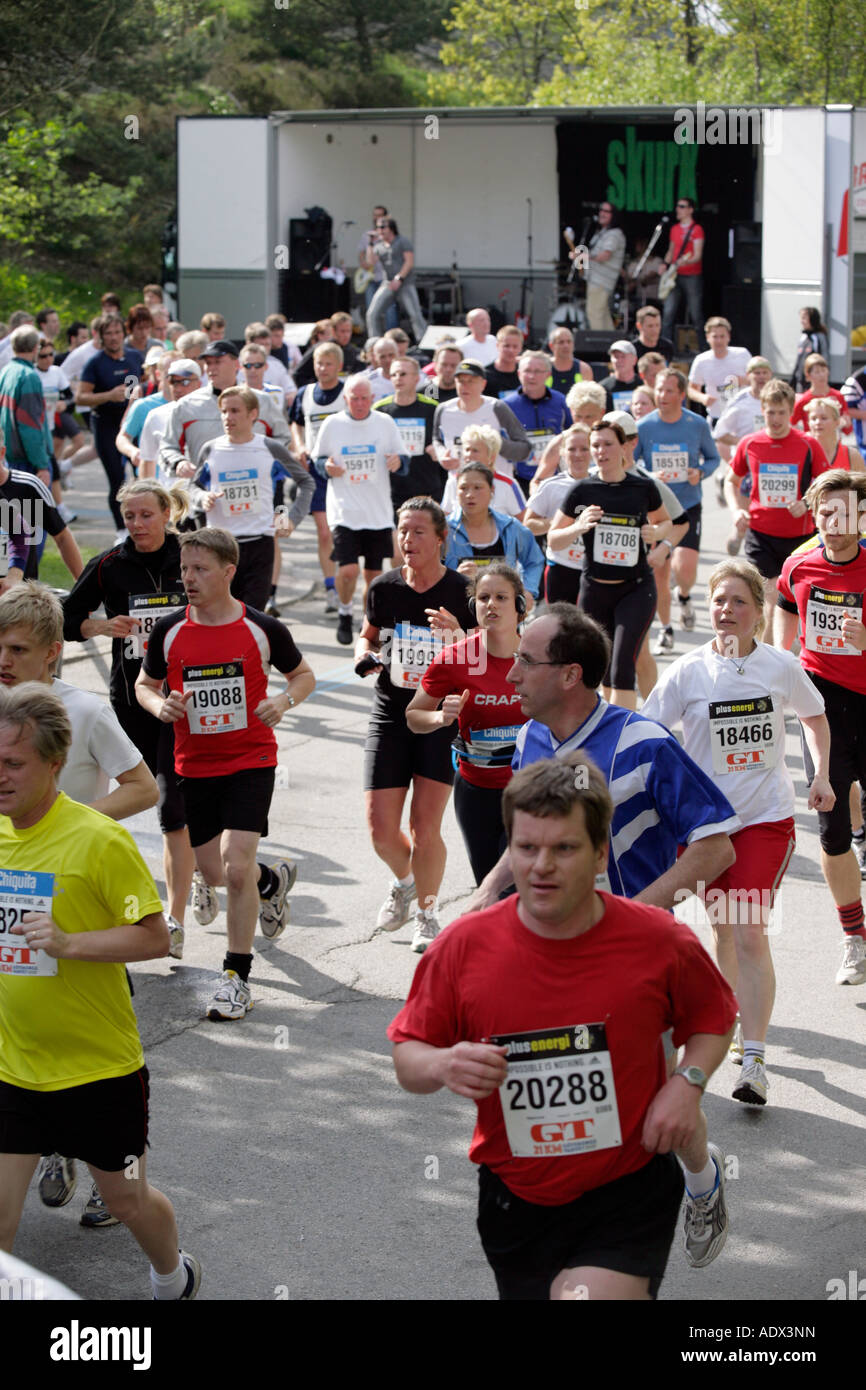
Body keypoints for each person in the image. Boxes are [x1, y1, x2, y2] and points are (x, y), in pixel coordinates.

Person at [389, 754, 738, 1299]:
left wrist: (686, 1084)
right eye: (526, 848)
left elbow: (714, 1018)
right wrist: (442, 1062)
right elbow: (408, 1057)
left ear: (600, 853)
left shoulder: (657, 941)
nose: (541, 866)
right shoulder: (464, 947)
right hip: (514, 1197)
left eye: (564, 849)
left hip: (627, 1187)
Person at [0, 683, 201, 1300]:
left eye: (13, 763)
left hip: (99, 1072)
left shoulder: (97, 839)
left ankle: (173, 1277)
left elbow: (155, 938)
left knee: (128, 1197)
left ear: (55, 764)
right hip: (14, 1068)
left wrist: (69, 944)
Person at [0, 580, 161, 1228]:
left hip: (84, 898)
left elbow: (144, 786)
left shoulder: (84, 712)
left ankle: (109, 1173)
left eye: (17, 648)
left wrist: (73, 826)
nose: (4, 660)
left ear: (51, 654)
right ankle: (45, 1145)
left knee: (92, 1033)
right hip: (14, 895)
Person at [643, 559, 833, 1107]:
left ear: (759, 612)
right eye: (718, 601)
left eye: (737, 602)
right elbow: (652, 735)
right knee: (726, 930)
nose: (725, 611)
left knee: (747, 930)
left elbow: (814, 717)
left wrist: (820, 775)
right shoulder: (687, 672)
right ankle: (733, 1014)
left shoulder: (780, 667)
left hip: (763, 820)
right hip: (705, 828)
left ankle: (753, 1057)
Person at [136, 528, 315, 1020]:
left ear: (228, 572)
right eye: (184, 570)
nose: (188, 579)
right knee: (214, 873)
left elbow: (303, 675)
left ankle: (236, 977)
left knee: (235, 865)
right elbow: (144, 684)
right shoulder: (170, 631)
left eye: (199, 570)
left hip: (251, 759)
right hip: (194, 764)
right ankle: (272, 884)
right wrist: (160, 706)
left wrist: (283, 699)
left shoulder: (262, 628)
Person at [471, 604, 738, 907]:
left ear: (571, 675)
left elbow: (716, 848)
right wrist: (489, 888)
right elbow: (529, 836)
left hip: (631, 946)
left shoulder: (645, 745)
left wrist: (634, 916)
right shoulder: (528, 738)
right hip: (552, 934)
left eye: (527, 661)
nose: (511, 675)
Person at [62, 477, 197, 954]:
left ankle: (175, 918)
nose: (138, 524)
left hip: (188, 699)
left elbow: (227, 605)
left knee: (171, 805)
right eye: (130, 517)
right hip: (133, 698)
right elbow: (63, 619)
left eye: (146, 515)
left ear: (166, 514)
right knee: (160, 799)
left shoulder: (190, 554)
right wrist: (102, 625)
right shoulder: (109, 566)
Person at [354, 497, 473, 952]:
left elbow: (487, 656)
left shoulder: (462, 592)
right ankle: (405, 882)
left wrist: (459, 638)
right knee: (380, 829)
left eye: (419, 531)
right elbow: (368, 634)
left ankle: (427, 912)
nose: (408, 539)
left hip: (439, 718)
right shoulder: (384, 587)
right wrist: (363, 655)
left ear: (441, 539)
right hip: (390, 714)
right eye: (403, 530)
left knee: (425, 827)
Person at [775, 469, 866, 988]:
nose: (833, 522)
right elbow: (785, 610)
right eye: (824, 511)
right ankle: (854, 937)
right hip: (822, 707)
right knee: (830, 828)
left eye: (844, 511)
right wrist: (776, 664)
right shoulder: (799, 565)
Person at [407, 562, 528, 884]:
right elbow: (413, 717)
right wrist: (439, 717)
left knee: (517, 888)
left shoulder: (540, 656)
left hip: (532, 791)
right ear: (474, 607)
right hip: (477, 792)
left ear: (519, 607)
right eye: (484, 597)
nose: (491, 604)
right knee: (489, 888)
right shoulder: (454, 659)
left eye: (502, 597)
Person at [549, 421, 671, 707]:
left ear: (624, 448)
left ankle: (622, 741)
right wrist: (578, 526)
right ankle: (608, 731)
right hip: (594, 590)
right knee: (599, 669)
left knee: (622, 669)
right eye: (596, 445)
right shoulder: (582, 490)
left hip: (636, 589)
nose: (601, 451)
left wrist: (656, 533)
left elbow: (666, 521)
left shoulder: (643, 487)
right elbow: (554, 539)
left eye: (607, 444)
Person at [190, 386, 314, 611]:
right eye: (224, 411)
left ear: (253, 414)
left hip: (259, 544)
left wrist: (291, 519)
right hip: (220, 546)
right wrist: (203, 497)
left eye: (235, 411)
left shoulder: (269, 448)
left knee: (252, 615)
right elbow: (193, 488)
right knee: (219, 614)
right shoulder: (210, 449)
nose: (228, 417)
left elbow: (306, 482)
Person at [726, 379, 830, 640]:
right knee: (769, 600)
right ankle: (767, 659)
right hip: (760, 535)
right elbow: (731, 480)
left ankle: (780, 654)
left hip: (800, 538)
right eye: (770, 412)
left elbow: (826, 484)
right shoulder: (750, 443)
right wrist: (737, 511)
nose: (775, 418)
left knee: (793, 605)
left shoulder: (807, 444)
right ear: (762, 410)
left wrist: (807, 502)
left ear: (791, 412)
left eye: (781, 412)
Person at [634, 367, 721, 653]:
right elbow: (632, 464)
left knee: (684, 571)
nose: (663, 395)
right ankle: (666, 628)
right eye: (659, 389)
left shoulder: (696, 424)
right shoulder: (644, 426)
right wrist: (649, 475)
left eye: (670, 390)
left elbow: (713, 458)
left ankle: (683, 596)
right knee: (660, 572)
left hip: (688, 505)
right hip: (658, 512)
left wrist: (700, 472)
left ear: (682, 395)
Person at [314, 374, 405, 644]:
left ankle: (368, 620)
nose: (360, 403)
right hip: (344, 510)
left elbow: (402, 459)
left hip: (377, 513)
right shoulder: (333, 424)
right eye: (355, 398)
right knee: (348, 571)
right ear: (346, 399)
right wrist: (326, 468)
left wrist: (397, 462)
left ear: (373, 399)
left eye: (365, 398)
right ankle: (344, 613)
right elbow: (318, 461)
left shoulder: (384, 423)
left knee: (373, 577)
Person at [158, 339, 289, 480]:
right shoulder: (187, 405)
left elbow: (283, 437)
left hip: (256, 487)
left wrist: (268, 461)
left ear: (236, 364)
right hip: (206, 491)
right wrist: (179, 463)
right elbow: (167, 446)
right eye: (208, 363)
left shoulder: (261, 401)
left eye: (217, 362)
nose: (211, 368)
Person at [289, 341, 345, 615]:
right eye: (318, 364)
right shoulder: (306, 393)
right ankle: (331, 588)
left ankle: (347, 581)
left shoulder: (348, 393)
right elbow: (296, 423)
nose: (323, 369)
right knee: (325, 533)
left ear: (339, 366)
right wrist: (299, 445)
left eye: (328, 364)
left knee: (343, 533)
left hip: (344, 470)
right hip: (316, 471)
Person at [76, 315, 143, 538]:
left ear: (123, 334)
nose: (114, 338)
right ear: (101, 337)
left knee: (142, 475)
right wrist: (108, 396)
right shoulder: (95, 363)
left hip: (132, 422)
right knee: (116, 479)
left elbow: (142, 384)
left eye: (117, 333)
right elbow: (80, 397)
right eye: (109, 334)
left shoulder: (134, 356)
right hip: (105, 423)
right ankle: (122, 531)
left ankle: (145, 525)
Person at [444, 462, 543, 602]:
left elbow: (534, 561)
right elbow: (428, 571)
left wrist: (528, 591)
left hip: (504, 614)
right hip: (457, 610)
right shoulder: (443, 530)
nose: (470, 495)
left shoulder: (511, 527)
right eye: (463, 488)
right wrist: (454, 577)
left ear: (492, 490)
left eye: (477, 487)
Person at [524, 424, 593, 604]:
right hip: (561, 568)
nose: (578, 454)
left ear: (592, 451)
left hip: (595, 570)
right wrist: (558, 522)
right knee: (560, 627)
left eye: (584, 449)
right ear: (562, 452)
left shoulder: (603, 484)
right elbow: (528, 525)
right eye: (572, 449)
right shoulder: (550, 485)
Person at [0, 442, 83, 584]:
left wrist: (83, 588)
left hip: (21, 592)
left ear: (2, 453)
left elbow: (62, 536)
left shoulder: (28, 486)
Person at [433, 360, 532, 477]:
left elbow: (525, 449)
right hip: (459, 485)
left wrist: (494, 444)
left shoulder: (497, 408)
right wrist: (442, 455)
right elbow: (437, 439)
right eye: (461, 381)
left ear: (483, 384)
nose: (465, 386)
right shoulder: (444, 410)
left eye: (471, 381)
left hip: (496, 484)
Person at [374, 357, 442, 509]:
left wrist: (438, 448)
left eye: (403, 374)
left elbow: (443, 441)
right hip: (392, 489)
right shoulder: (379, 410)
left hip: (426, 486)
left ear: (416, 378)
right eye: (394, 375)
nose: (398, 378)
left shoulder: (432, 408)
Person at [503, 352, 571, 495]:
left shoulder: (560, 401)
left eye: (538, 371)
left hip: (556, 477)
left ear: (548, 374)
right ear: (519, 374)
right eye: (527, 371)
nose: (532, 376)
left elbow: (572, 433)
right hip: (520, 479)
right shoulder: (507, 405)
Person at [0, 326, 52, 483]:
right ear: (36, 347)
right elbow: (29, 425)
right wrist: (41, 465)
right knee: (35, 507)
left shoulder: (6, 371)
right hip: (27, 462)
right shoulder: (29, 377)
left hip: (10, 456)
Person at [138, 357, 203, 482]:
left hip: (205, 495)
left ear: (199, 384)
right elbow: (147, 460)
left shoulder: (213, 413)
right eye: (173, 382)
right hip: (171, 496)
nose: (178, 388)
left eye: (184, 382)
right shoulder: (156, 416)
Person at [440, 428, 526, 520]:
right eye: (467, 450)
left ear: (491, 456)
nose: (469, 455)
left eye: (475, 450)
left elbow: (524, 521)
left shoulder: (508, 484)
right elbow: (444, 518)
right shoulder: (453, 482)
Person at [364, 216, 426, 343]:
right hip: (387, 283)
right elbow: (370, 262)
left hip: (405, 283)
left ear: (391, 228)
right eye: (377, 227)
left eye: (382, 227)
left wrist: (399, 279)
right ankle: (374, 343)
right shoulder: (379, 245)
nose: (379, 230)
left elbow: (409, 262)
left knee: (415, 315)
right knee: (372, 314)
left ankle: (423, 343)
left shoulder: (402, 241)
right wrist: (370, 243)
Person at [687, 318, 751, 440]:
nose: (719, 341)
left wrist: (743, 380)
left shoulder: (742, 354)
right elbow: (691, 389)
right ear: (707, 337)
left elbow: (758, 379)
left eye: (722, 336)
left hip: (741, 417)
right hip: (717, 416)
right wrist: (703, 397)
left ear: (729, 337)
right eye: (715, 337)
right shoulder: (702, 360)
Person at [661, 198, 705, 342]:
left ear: (690, 210)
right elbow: (671, 251)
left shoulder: (697, 230)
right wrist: (664, 264)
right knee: (668, 312)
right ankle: (666, 346)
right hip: (675, 274)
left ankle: (702, 347)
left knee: (695, 313)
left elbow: (697, 255)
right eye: (677, 206)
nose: (678, 209)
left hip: (692, 275)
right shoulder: (675, 229)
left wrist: (686, 261)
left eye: (682, 206)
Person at [580, 202, 626, 331]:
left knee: (594, 313)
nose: (602, 213)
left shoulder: (614, 234)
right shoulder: (603, 233)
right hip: (597, 279)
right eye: (601, 210)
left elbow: (605, 255)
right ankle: (610, 344)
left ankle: (599, 346)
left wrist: (583, 257)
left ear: (614, 215)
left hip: (601, 281)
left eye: (607, 211)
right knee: (603, 314)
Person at [791, 355, 852, 434]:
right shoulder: (804, 400)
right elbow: (791, 424)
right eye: (817, 372)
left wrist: (846, 423)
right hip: (813, 443)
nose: (821, 375)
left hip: (833, 443)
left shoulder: (838, 396)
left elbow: (848, 430)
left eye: (823, 370)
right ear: (808, 376)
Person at [805, 397, 865, 475]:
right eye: (813, 418)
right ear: (808, 423)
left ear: (837, 422)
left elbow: (861, 485)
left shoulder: (851, 455)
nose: (818, 422)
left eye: (824, 418)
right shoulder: (803, 452)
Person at [545, 327, 594, 397]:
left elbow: (590, 399)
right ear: (551, 346)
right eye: (561, 342)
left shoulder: (584, 369)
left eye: (569, 341)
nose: (566, 346)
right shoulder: (543, 368)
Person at [482, 325, 525, 400]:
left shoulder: (525, 373)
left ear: (521, 348)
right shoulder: (485, 374)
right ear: (498, 346)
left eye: (515, 346)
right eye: (506, 346)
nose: (511, 350)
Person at [791, 307, 828, 393]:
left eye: (804, 318)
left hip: (812, 381)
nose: (801, 321)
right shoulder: (803, 337)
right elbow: (798, 360)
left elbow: (823, 359)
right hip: (800, 380)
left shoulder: (819, 337)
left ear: (812, 319)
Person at [598, 342, 642, 415]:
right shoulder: (602, 389)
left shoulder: (643, 386)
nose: (619, 360)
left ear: (634, 360)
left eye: (623, 356)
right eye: (616, 357)